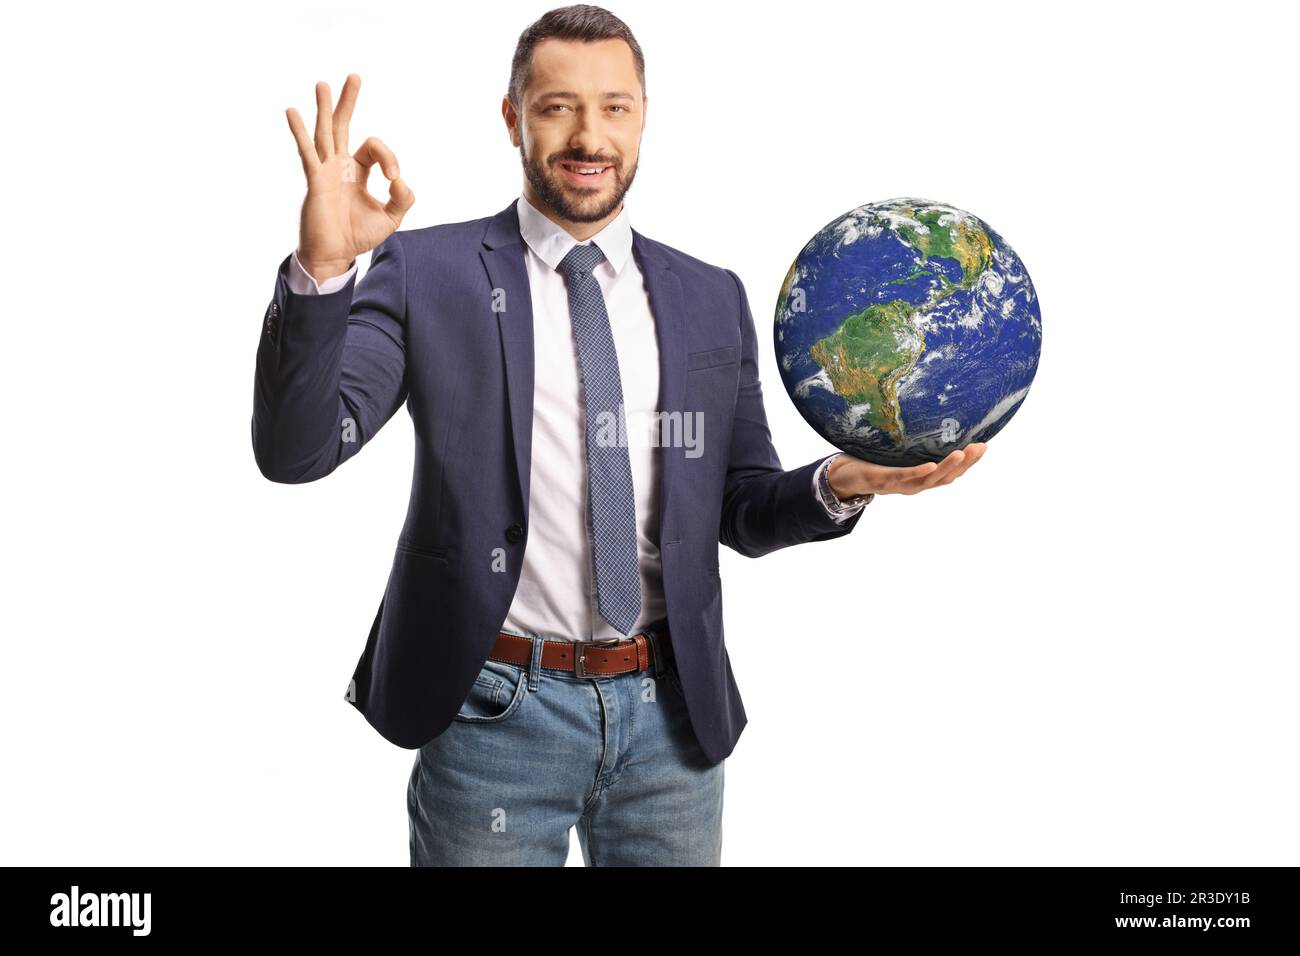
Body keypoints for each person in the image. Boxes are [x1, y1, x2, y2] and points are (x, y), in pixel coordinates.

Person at [254, 4, 986, 866]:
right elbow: (298, 451)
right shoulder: (429, 271)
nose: (587, 134)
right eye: (557, 105)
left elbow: (742, 510)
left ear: (644, 116)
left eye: (614, 106)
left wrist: (841, 482)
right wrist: (326, 270)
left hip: (669, 723)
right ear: (512, 117)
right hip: (491, 710)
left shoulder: (709, 295)